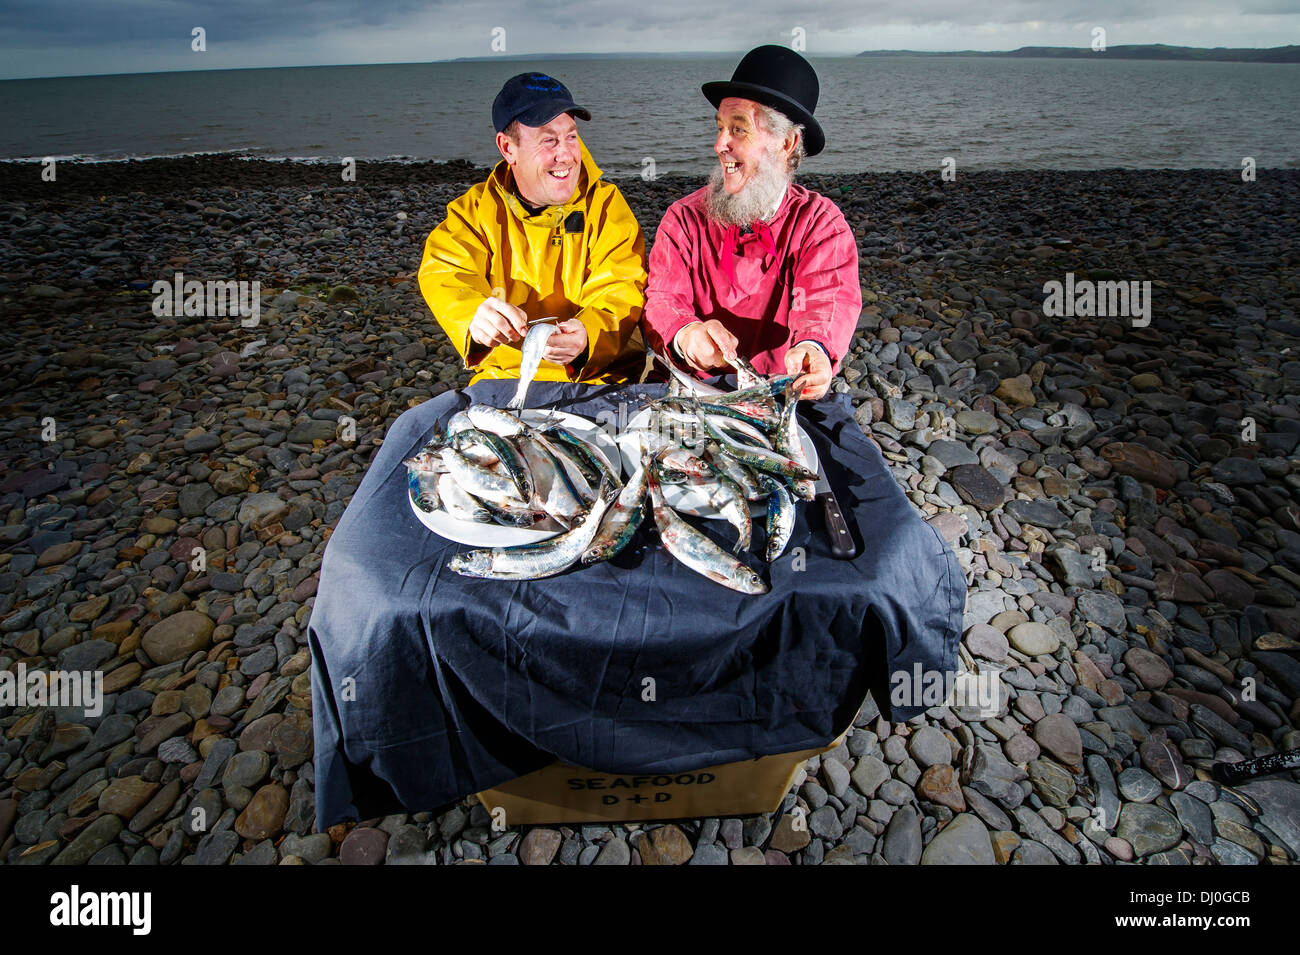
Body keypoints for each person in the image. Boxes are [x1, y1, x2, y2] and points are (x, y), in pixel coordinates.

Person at [642, 46, 861, 400]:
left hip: (785, 391)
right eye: (720, 128)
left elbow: (828, 300)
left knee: (854, 457)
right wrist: (686, 333)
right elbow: (663, 298)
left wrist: (814, 349)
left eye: (738, 130)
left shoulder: (821, 224)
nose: (719, 144)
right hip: (691, 389)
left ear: (787, 143)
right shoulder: (684, 217)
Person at [418, 72, 648, 384]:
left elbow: (623, 286)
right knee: (411, 430)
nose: (566, 154)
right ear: (507, 148)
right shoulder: (471, 214)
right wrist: (473, 314)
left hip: (598, 378)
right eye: (548, 140)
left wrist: (589, 335)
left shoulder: (606, 206)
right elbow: (444, 274)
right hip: (503, 379)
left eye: (571, 136)